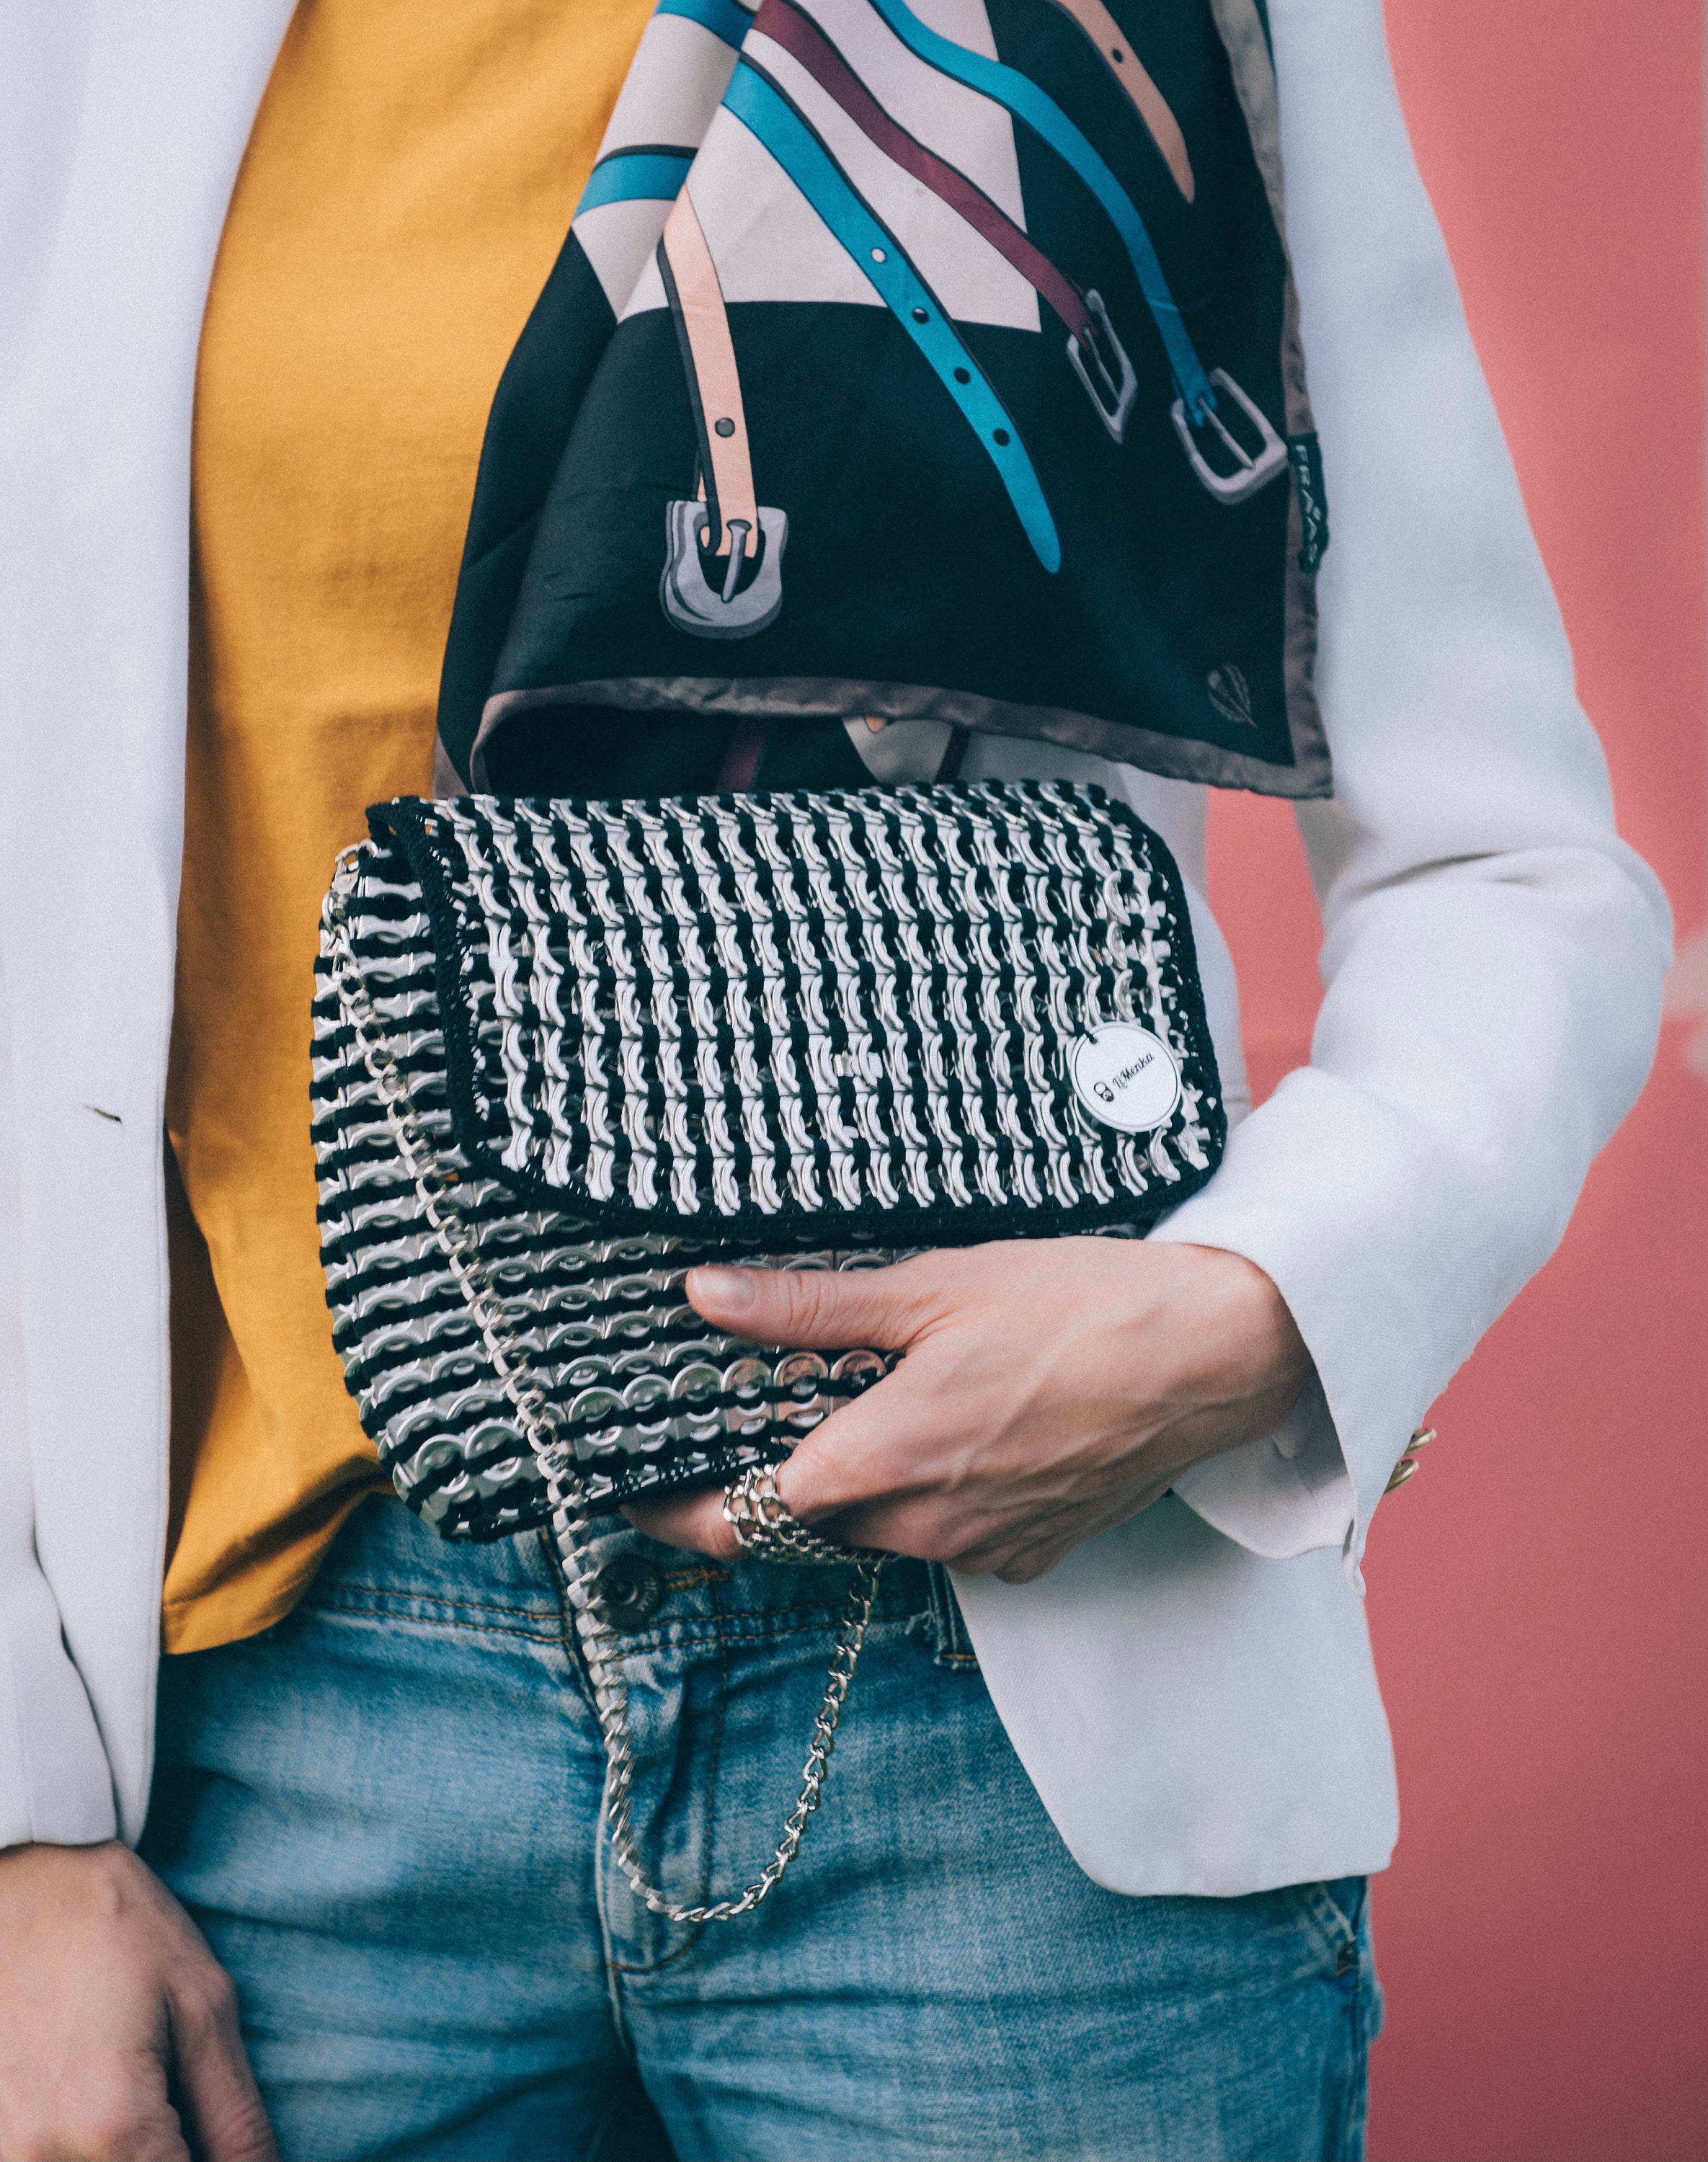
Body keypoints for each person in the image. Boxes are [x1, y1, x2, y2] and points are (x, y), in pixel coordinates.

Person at [0, 0, 1669, 2158]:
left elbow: (1509, 870)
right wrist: (13, 1828)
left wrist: (1252, 1315)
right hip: (291, 1724)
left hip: (1010, 1707)